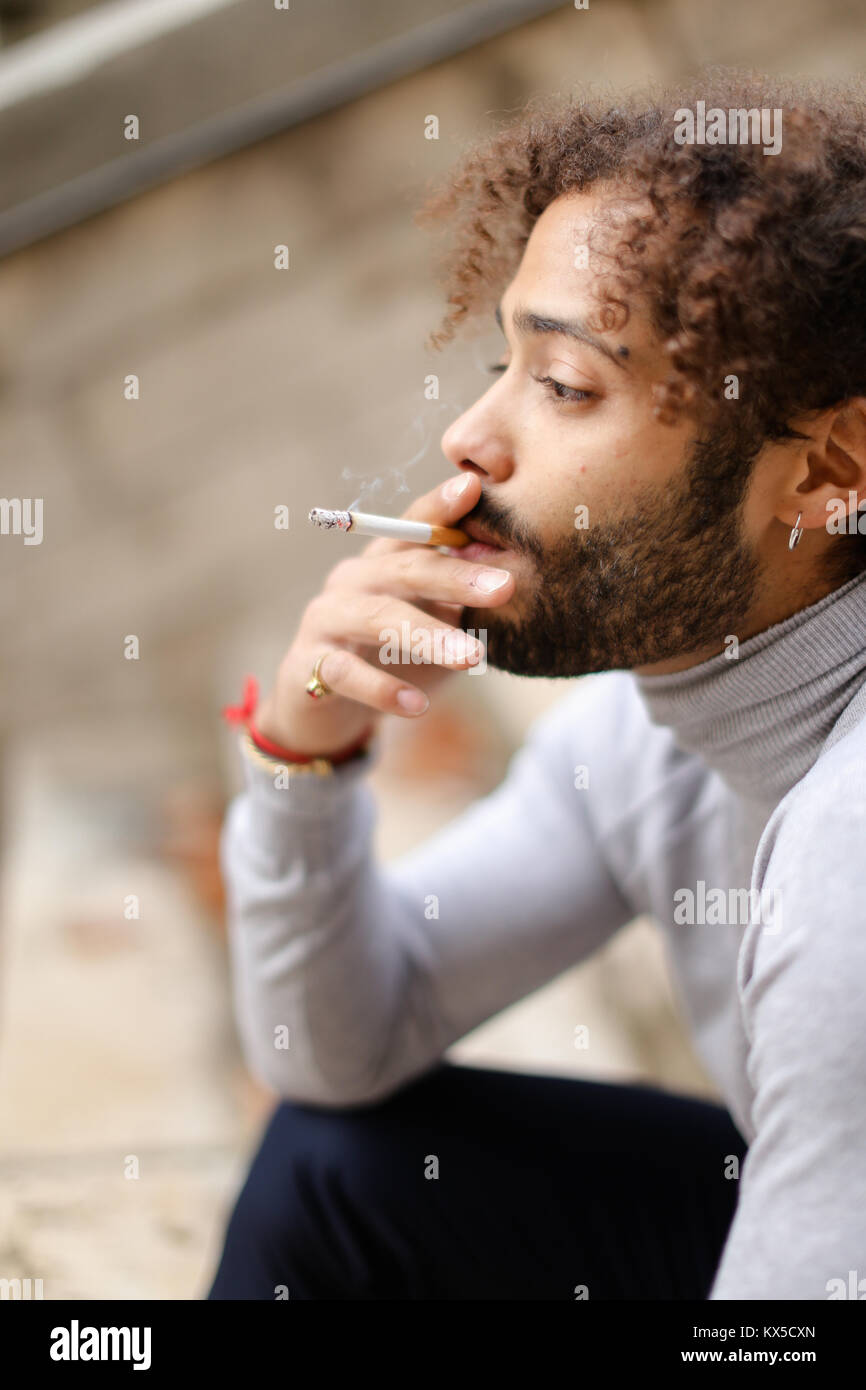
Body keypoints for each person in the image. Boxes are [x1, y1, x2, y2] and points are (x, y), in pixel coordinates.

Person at [207, 69, 866, 1300]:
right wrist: (307, 750)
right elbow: (333, 1052)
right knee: (341, 1172)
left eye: (564, 387)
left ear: (830, 467)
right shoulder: (648, 731)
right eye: (504, 362)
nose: (470, 439)